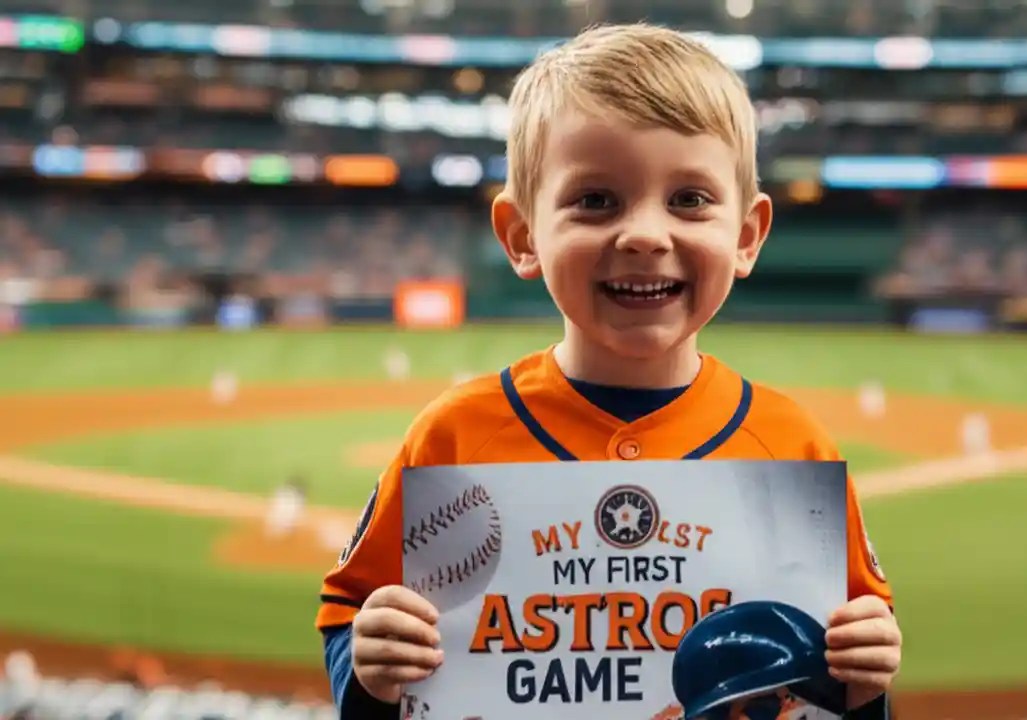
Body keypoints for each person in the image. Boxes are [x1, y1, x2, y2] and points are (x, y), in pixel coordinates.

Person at [315, 22, 901, 720]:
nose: (646, 235)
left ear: (745, 237)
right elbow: (350, 616)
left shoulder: (794, 443)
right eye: (596, 201)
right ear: (522, 236)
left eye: (689, 199)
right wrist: (371, 663)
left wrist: (866, 684)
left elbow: (841, 673)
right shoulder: (451, 436)